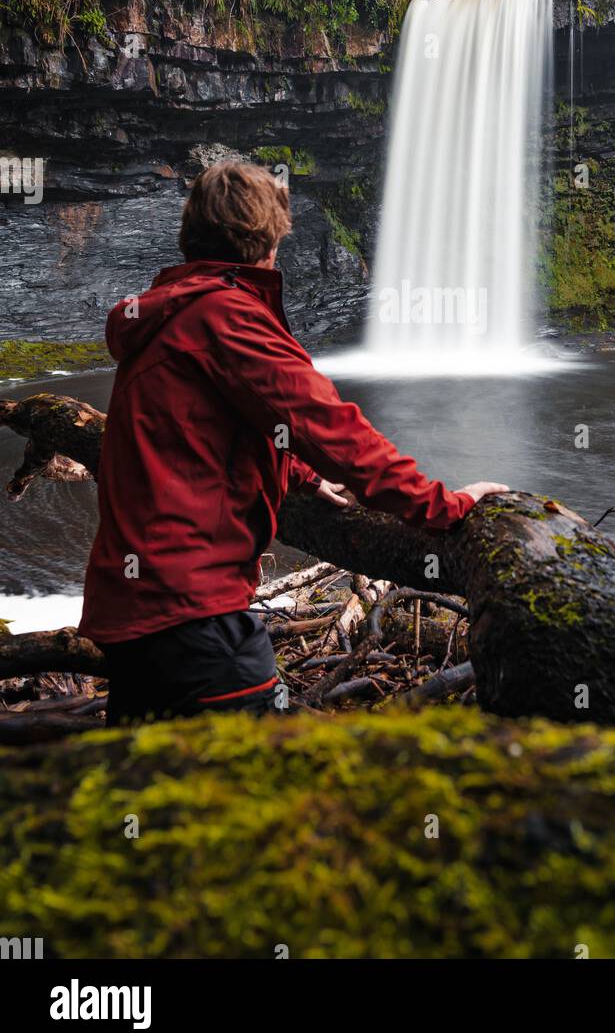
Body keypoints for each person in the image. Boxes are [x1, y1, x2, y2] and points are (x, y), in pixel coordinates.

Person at [80, 161, 507, 724]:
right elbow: (330, 426)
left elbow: (203, 431)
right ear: (267, 240)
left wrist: (303, 476)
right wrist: (444, 508)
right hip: (187, 611)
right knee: (267, 774)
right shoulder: (227, 315)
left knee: (151, 785)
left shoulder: (170, 313)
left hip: (131, 608)